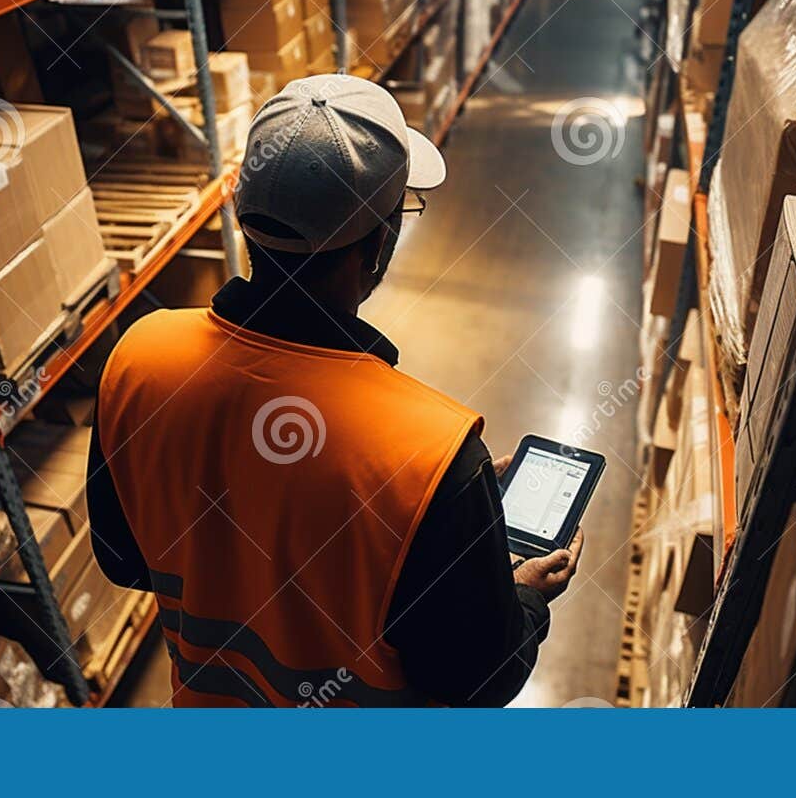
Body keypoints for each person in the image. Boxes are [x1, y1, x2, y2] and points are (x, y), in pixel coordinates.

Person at [87, 74, 583, 707]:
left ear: (247, 223)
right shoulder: (431, 455)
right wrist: (525, 596)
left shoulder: (139, 356)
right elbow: (473, 678)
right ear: (377, 245)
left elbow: (122, 558)